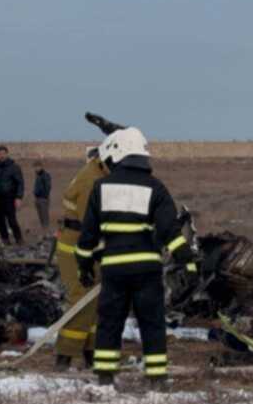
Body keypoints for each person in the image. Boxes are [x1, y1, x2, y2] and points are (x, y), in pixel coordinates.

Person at [76, 127, 197, 388]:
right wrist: (187, 261)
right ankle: (157, 379)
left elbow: (87, 236)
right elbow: (170, 232)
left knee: (109, 323)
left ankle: (105, 378)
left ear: (116, 154)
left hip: (114, 270)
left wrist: (84, 266)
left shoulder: (101, 187)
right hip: (147, 270)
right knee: (152, 324)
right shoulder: (156, 187)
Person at [53, 144, 111, 370]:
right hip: (78, 248)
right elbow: (93, 222)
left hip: (87, 245)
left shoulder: (100, 175)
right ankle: (64, 355)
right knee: (82, 300)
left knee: (95, 302)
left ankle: (92, 352)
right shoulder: (92, 182)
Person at [0, 145, 24, 245]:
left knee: (12, 220)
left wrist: (19, 197)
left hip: (9, 198)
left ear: (7, 154)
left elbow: (20, 183)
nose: (1, 156)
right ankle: (5, 240)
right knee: (0, 222)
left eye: (3, 154)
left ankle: (19, 239)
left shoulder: (14, 167)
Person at [32, 160, 52, 232]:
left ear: (41, 167)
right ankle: (44, 232)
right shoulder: (38, 176)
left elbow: (48, 187)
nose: (36, 169)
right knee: (41, 217)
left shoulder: (45, 175)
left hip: (43, 199)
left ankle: (47, 233)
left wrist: (44, 196)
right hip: (38, 199)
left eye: (37, 167)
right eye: (35, 167)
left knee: (45, 217)